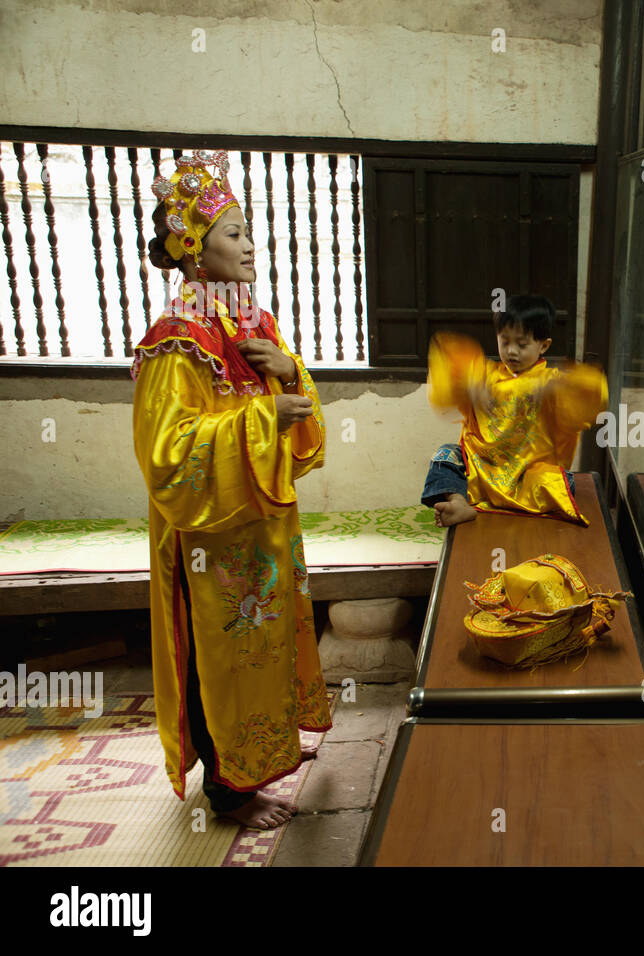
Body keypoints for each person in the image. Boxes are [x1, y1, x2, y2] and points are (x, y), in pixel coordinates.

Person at [132, 150, 331, 830]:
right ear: (194, 253)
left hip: (263, 528)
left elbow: (299, 436)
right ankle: (227, 793)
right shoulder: (176, 341)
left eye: (248, 232)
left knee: (263, 651)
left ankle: (261, 755)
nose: (251, 246)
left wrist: (291, 374)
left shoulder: (252, 326)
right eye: (234, 235)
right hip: (210, 544)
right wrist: (261, 417)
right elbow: (168, 458)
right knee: (218, 659)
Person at [421, 294, 607, 526]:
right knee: (445, 456)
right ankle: (459, 501)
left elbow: (590, 393)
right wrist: (468, 386)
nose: (511, 351)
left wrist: (556, 392)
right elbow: (446, 362)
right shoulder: (484, 374)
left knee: (563, 481)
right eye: (504, 341)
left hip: (526, 475)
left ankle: (507, 501)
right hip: (483, 469)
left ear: (544, 345)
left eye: (521, 344)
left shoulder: (551, 382)